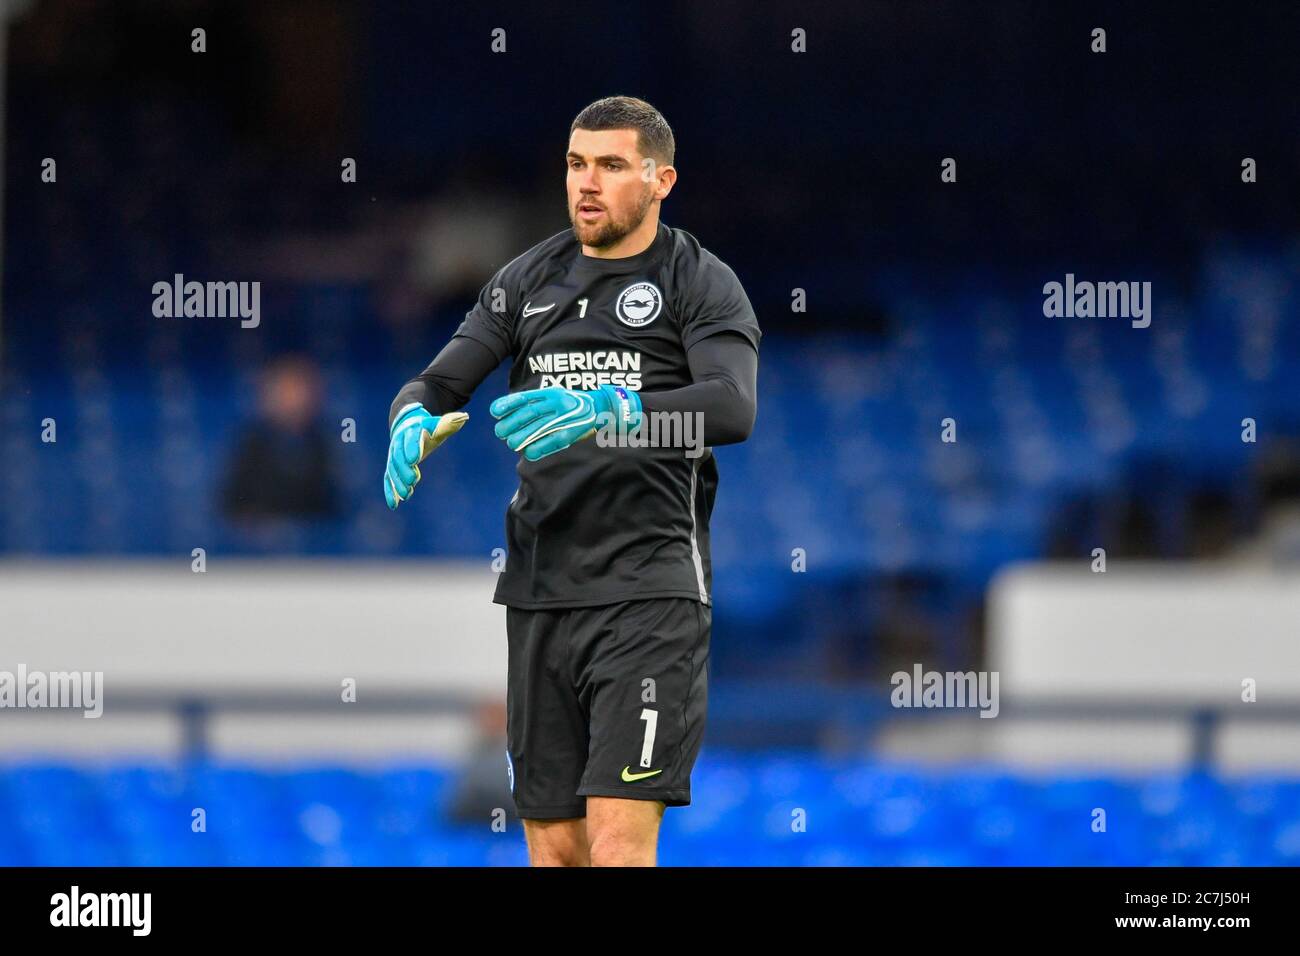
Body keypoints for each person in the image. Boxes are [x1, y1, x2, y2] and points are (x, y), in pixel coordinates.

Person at [384, 96, 760, 866]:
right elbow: (439, 380)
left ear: (661, 181)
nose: (587, 183)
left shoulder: (700, 281)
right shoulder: (528, 279)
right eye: (575, 164)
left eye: (612, 166)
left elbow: (730, 407)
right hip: (540, 593)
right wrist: (409, 420)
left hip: (649, 598)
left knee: (619, 838)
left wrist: (608, 414)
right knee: (555, 846)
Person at [222, 355, 339, 522]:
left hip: (315, 544)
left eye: (301, 389)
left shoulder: (324, 444)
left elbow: (334, 505)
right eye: (287, 390)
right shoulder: (251, 444)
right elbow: (232, 505)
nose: (295, 399)